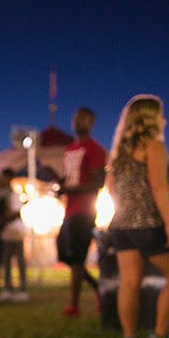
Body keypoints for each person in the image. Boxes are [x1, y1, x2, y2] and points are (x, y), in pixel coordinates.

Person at [106, 95, 169, 338]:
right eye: (161, 115)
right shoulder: (154, 146)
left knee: (129, 282)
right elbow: (159, 187)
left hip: (121, 226)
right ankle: (160, 336)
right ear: (152, 118)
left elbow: (110, 189)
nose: (165, 120)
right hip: (148, 223)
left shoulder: (118, 153)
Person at [58, 107, 107, 317]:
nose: (77, 121)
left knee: (77, 258)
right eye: (75, 118)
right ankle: (99, 289)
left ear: (91, 123)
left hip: (84, 211)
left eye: (83, 119)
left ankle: (74, 306)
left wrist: (70, 190)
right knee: (65, 255)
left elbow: (97, 183)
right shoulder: (70, 148)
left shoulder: (95, 149)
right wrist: (60, 184)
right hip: (69, 211)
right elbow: (70, 178)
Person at [0, 169, 29, 302]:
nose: (1, 180)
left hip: (15, 231)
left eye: (3, 177)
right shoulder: (2, 194)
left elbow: (15, 213)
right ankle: (8, 289)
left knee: (20, 261)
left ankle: (22, 290)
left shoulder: (13, 194)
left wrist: (1, 220)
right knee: (7, 262)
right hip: (7, 232)